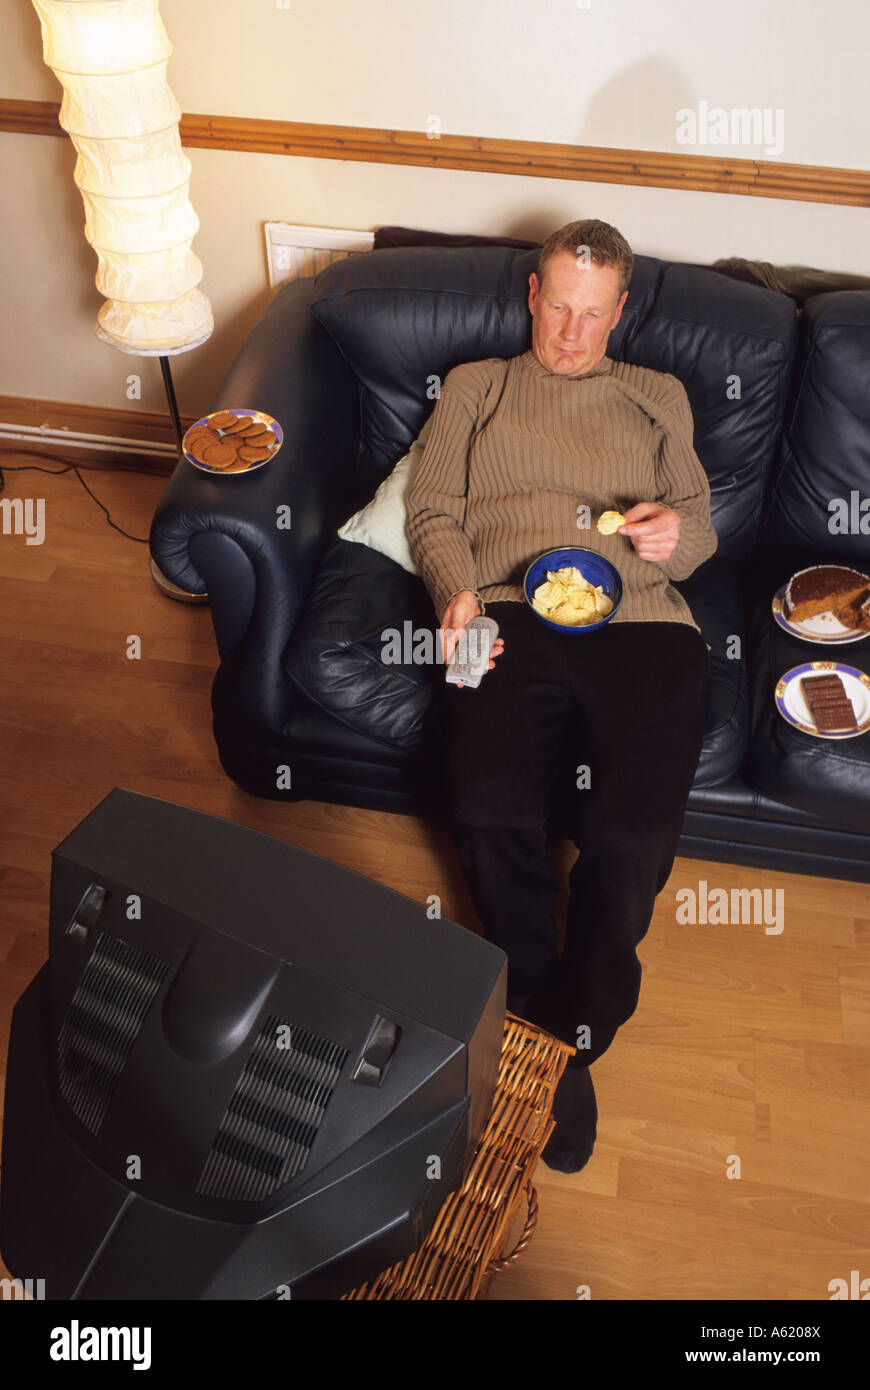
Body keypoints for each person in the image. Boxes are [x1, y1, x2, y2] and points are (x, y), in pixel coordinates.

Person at [405, 219, 717, 1172]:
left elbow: (699, 525)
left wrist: (675, 540)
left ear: (621, 311)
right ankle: (547, 1035)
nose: (572, 335)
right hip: (507, 609)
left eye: (594, 314)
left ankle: (568, 1028)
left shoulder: (660, 394)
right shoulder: (476, 387)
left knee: (630, 840)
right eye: (557, 308)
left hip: (643, 623)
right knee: (488, 808)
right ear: (530, 296)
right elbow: (431, 509)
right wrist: (456, 593)